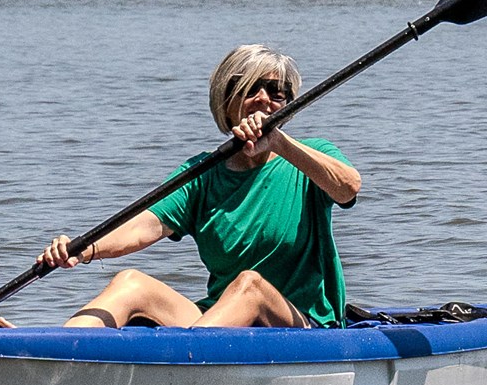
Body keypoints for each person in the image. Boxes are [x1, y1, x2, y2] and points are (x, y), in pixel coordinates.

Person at [27, 44, 361, 329]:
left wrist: (280, 143)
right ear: (226, 99)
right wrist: (83, 249)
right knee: (131, 282)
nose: (264, 99)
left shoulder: (309, 156)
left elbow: (348, 188)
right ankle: (59, 349)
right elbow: (143, 226)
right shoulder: (202, 174)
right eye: (251, 88)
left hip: (306, 326)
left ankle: (185, 358)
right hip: (220, 320)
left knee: (251, 286)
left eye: (276, 92)